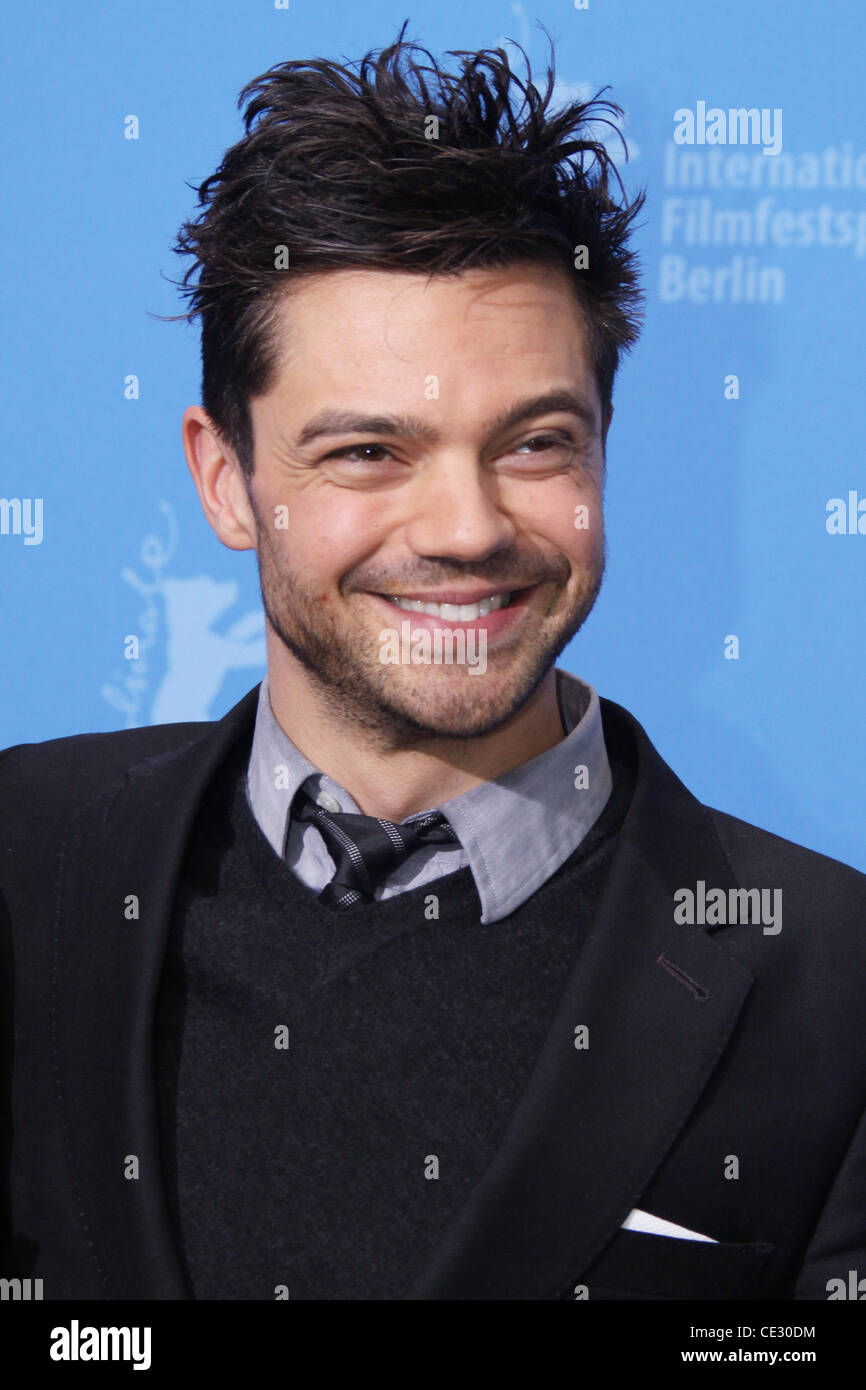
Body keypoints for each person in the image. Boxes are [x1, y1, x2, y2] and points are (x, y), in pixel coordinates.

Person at [2, 28, 865, 1303]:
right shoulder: (25, 864)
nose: (465, 529)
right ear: (225, 479)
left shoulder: (831, 977)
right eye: (366, 452)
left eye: (532, 443)